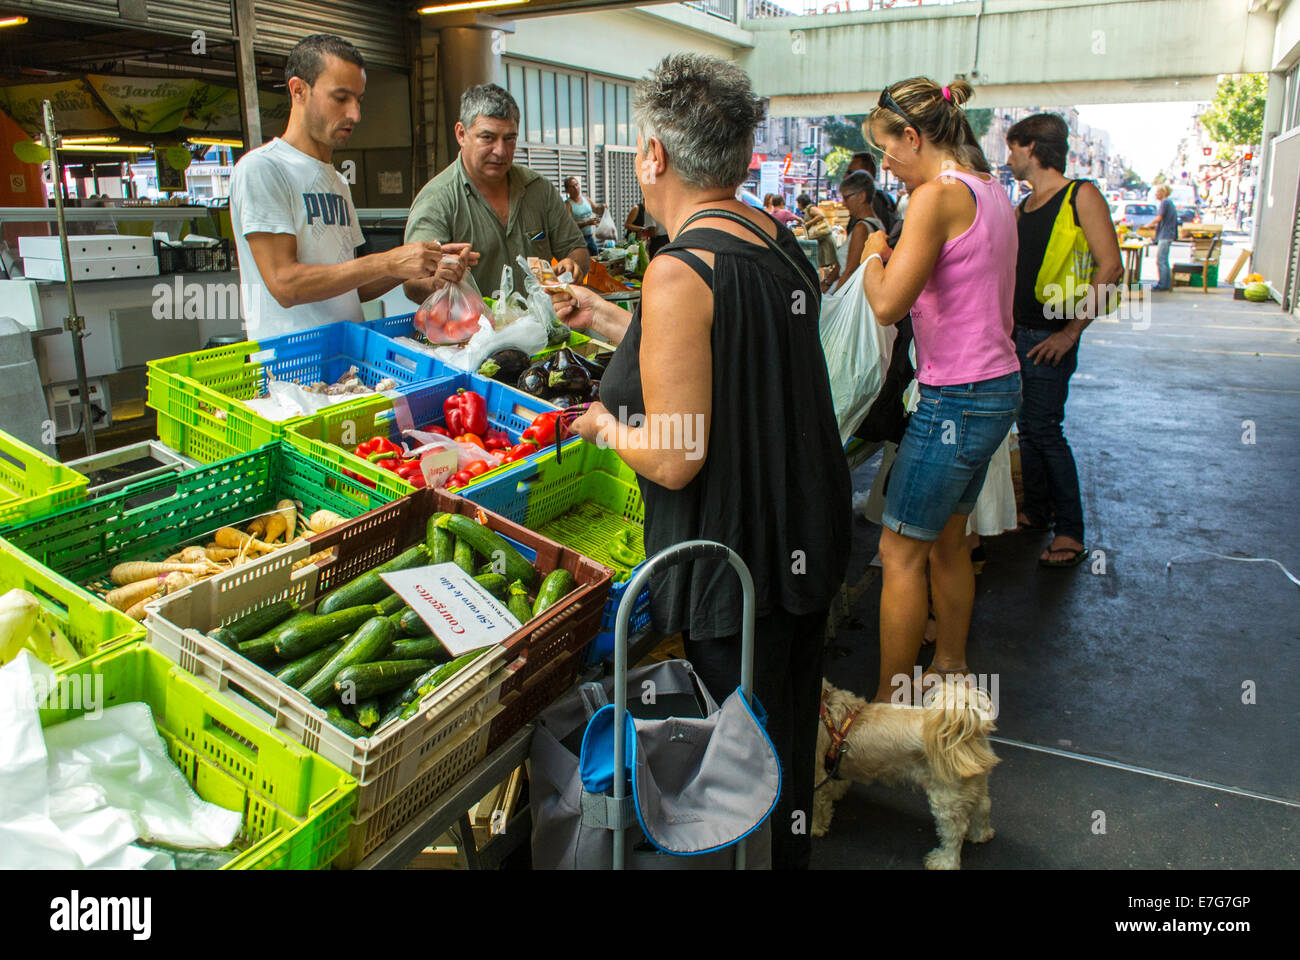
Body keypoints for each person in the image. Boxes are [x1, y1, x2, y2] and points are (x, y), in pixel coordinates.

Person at [554, 53, 851, 871]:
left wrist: (606, 431)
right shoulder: (773, 238)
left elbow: (678, 458)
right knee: (782, 741)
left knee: (737, 769)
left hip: (738, 557)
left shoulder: (679, 269)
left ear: (653, 156)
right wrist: (617, 321)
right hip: (804, 535)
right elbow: (734, 357)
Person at [859, 77, 1022, 703]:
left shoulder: (936, 197)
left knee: (898, 552)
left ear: (914, 135)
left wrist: (875, 252)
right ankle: (949, 665)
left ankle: (886, 705)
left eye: (889, 150)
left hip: (956, 398)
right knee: (951, 541)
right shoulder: (991, 191)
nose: (888, 167)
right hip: (997, 388)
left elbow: (886, 305)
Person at [230, 34, 472, 339]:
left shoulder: (338, 181)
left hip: (347, 356)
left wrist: (417, 262)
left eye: (358, 100)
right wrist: (388, 260)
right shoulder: (263, 169)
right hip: (291, 369)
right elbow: (285, 285)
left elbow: (352, 288)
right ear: (298, 90)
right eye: (341, 98)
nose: (355, 114)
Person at [1006, 112, 1123, 567]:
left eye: (1013, 147)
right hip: (1019, 334)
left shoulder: (1081, 195)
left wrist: (1071, 333)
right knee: (1029, 430)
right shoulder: (1025, 205)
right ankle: (1037, 512)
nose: (1009, 157)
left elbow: (1110, 268)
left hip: (1052, 336)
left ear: (1031, 147)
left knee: (1044, 431)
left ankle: (1070, 532)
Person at [404, 83, 588, 302]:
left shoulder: (539, 190)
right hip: (472, 334)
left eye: (509, 139)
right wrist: (437, 281)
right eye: (488, 137)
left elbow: (578, 249)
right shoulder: (437, 200)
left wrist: (573, 265)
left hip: (542, 331)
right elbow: (411, 284)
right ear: (461, 134)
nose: (500, 151)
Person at [834, 170, 885, 289]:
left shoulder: (861, 228)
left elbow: (849, 271)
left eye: (847, 198)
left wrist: (834, 299)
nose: (844, 203)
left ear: (862, 196)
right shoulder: (877, 224)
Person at [796, 193, 840, 290]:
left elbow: (821, 215)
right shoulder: (806, 210)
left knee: (827, 262)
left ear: (801, 202)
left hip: (824, 239)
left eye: (798, 203)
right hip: (820, 239)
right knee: (822, 262)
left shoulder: (810, 208)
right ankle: (823, 283)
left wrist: (808, 224)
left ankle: (827, 284)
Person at [847, 150, 898, 232]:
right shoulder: (884, 198)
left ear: (866, 174)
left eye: (851, 173)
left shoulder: (872, 202)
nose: (846, 177)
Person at [563, 176, 604, 257]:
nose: (576, 188)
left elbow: (596, 209)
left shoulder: (586, 199)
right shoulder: (567, 204)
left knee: (596, 260)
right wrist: (586, 223)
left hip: (589, 237)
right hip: (577, 240)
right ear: (567, 190)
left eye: (577, 184)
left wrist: (602, 207)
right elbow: (569, 225)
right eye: (572, 186)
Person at [625, 192, 669, 256]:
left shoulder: (652, 209)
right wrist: (641, 229)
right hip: (635, 239)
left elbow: (652, 231)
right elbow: (627, 225)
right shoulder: (637, 208)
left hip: (652, 239)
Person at [1152, 184, 1178, 291]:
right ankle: (1166, 283)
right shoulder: (1169, 202)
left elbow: (1159, 217)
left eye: (1157, 192)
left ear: (1163, 192)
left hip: (1165, 235)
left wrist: (1147, 225)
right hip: (1168, 234)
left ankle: (1162, 284)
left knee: (1161, 260)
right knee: (1164, 260)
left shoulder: (1165, 202)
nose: (1156, 194)